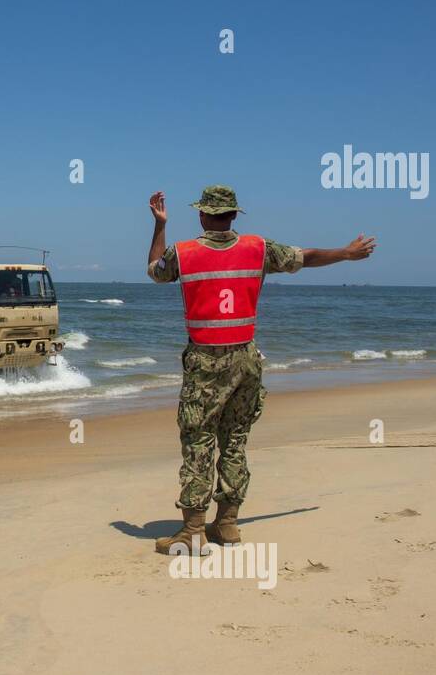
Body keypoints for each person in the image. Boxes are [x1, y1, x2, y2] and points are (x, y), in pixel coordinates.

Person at [147, 185, 376, 554]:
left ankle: (193, 530)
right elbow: (307, 257)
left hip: (205, 361)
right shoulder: (258, 248)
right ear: (234, 215)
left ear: (202, 215)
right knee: (234, 439)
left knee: (198, 440)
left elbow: (154, 272)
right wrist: (346, 254)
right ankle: (228, 524)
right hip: (247, 359)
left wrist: (159, 226)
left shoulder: (183, 253)